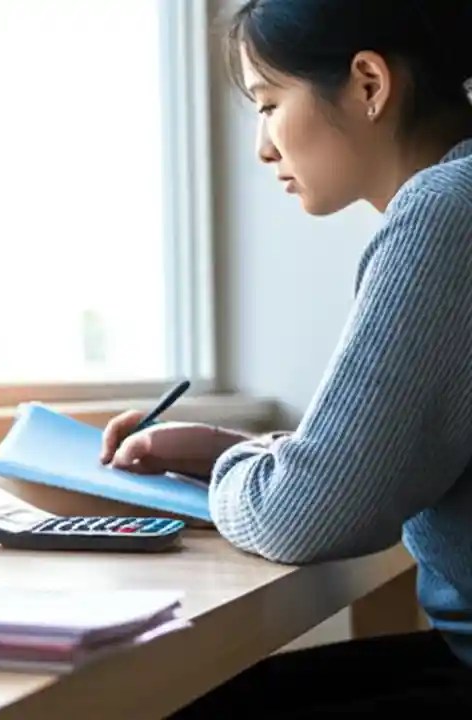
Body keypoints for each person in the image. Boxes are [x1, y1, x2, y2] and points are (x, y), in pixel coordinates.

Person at [98, 0, 472, 715]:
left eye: (269, 103)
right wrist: (233, 450)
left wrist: (236, 474)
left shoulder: (447, 210)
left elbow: (305, 515)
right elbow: (382, 465)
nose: (262, 147)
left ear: (369, 84)